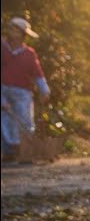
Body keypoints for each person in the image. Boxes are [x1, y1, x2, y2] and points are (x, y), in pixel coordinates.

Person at [1, 17, 51, 162]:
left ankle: (25, 149)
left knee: (24, 120)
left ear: (23, 34)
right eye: (11, 29)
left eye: (17, 30)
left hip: (22, 92)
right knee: (4, 120)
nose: (13, 33)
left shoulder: (29, 53)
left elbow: (37, 73)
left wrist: (44, 90)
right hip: (3, 89)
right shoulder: (2, 48)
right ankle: (8, 151)